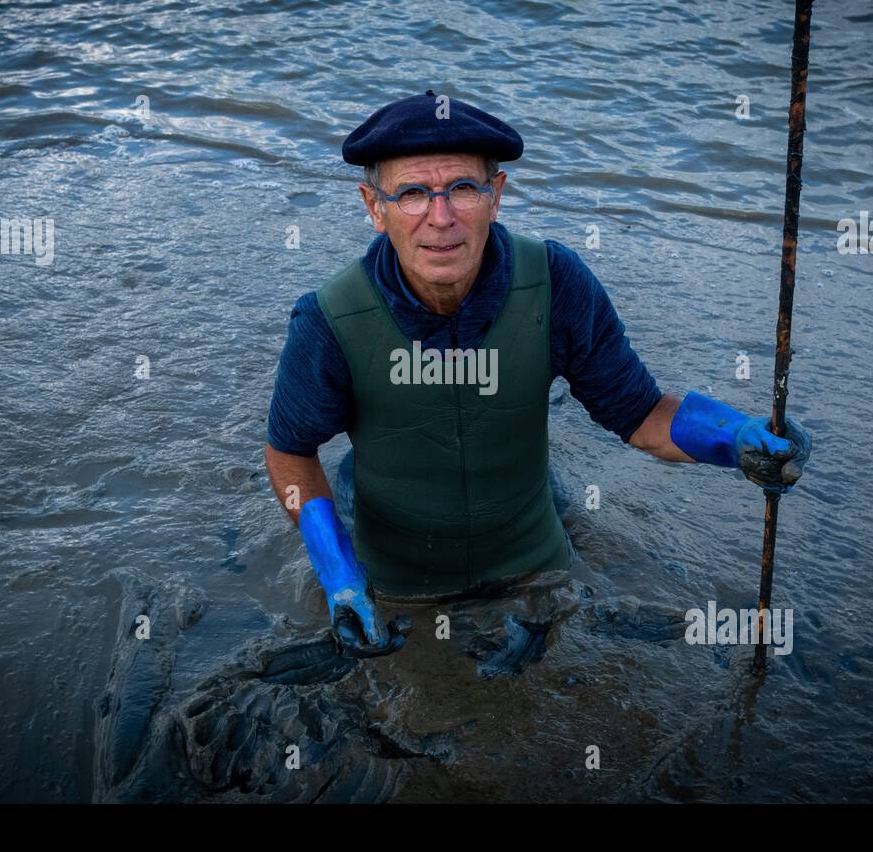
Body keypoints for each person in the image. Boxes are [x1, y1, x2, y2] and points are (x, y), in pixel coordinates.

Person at [264, 90, 811, 653]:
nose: (441, 216)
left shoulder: (555, 282)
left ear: (496, 195)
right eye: (411, 194)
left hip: (536, 570)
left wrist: (737, 439)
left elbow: (641, 414)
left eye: (463, 188)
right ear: (374, 207)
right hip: (399, 585)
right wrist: (338, 575)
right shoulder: (330, 318)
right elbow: (289, 450)